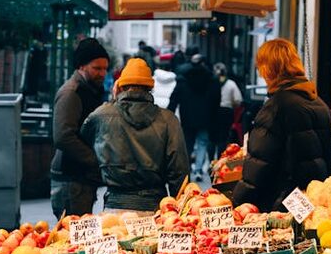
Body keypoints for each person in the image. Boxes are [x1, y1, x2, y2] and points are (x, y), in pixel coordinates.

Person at [232, 39, 331, 211]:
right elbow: (328, 157)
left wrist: (237, 202)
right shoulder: (318, 103)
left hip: (279, 205)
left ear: (268, 69)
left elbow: (260, 165)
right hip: (309, 204)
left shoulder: (277, 107)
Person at [81, 58, 189, 212]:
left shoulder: (101, 116)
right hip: (155, 208)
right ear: (150, 88)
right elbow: (179, 171)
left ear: (120, 86)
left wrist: (113, 101)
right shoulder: (168, 120)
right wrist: (180, 212)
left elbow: (84, 142)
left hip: (114, 208)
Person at [50, 37, 109, 219]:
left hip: (80, 177)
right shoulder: (71, 93)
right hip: (71, 178)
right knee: (73, 238)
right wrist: (94, 160)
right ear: (82, 66)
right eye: (97, 68)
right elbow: (63, 136)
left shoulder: (89, 89)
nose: (102, 73)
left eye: (105, 68)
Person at [168, 52, 220, 181]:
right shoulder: (211, 79)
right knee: (202, 143)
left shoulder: (183, 79)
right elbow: (216, 99)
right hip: (205, 118)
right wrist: (214, 115)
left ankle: (186, 171)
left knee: (187, 145)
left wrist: (170, 115)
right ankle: (198, 170)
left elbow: (174, 99)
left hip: (187, 118)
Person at [212, 63, 243, 158]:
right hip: (227, 112)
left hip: (213, 112)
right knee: (223, 137)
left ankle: (210, 159)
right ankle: (219, 158)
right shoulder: (231, 84)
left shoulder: (211, 83)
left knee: (212, 137)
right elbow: (238, 100)